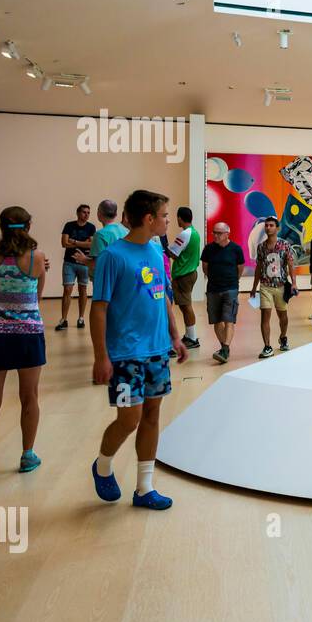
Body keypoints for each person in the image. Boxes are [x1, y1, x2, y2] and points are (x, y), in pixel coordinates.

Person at [89, 190, 187, 511]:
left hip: (157, 350)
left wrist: (174, 335)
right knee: (128, 419)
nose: (168, 220)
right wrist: (101, 356)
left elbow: (163, 296)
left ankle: (144, 488)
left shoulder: (157, 250)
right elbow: (99, 308)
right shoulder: (113, 257)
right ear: (149, 219)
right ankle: (103, 465)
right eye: (164, 215)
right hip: (124, 354)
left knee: (152, 416)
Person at [0, 206, 48, 491]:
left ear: (1, 225)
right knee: (29, 397)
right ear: (29, 225)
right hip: (27, 334)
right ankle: (28, 455)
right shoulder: (37, 258)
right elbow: (36, 296)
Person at [251, 216, 295, 358]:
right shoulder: (261, 247)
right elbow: (259, 267)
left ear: (277, 228)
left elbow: (290, 264)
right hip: (265, 286)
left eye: (271, 225)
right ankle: (267, 346)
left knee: (283, 316)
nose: (268, 228)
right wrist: (254, 287)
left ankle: (283, 337)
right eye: (266, 225)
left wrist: (294, 282)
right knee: (265, 316)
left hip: (281, 286)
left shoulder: (285, 245)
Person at [200, 222, 244, 364]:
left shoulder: (236, 249)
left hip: (230, 289)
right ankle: (225, 348)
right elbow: (205, 268)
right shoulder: (208, 249)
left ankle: (225, 348)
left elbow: (240, 268)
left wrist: (233, 281)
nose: (216, 235)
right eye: (214, 232)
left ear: (227, 234)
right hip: (213, 289)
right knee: (217, 321)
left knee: (229, 320)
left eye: (219, 233)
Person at [55, 203, 94, 331]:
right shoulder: (69, 225)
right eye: (84, 212)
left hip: (84, 263)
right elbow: (64, 243)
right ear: (78, 213)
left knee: (83, 290)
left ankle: (81, 318)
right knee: (67, 290)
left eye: (88, 212)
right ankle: (63, 319)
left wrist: (75, 242)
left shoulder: (91, 227)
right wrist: (83, 243)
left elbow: (90, 245)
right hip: (69, 263)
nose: (86, 215)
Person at [167, 206, 202, 349]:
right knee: (185, 306)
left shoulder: (185, 234)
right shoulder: (195, 233)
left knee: (186, 306)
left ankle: (192, 338)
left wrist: (164, 250)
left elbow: (173, 254)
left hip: (183, 275)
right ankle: (189, 335)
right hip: (190, 272)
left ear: (180, 218)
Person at [79, 199, 127, 275]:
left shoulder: (100, 234)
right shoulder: (125, 230)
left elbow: (98, 264)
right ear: (116, 214)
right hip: (122, 277)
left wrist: (83, 259)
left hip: (107, 280)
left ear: (99, 213)